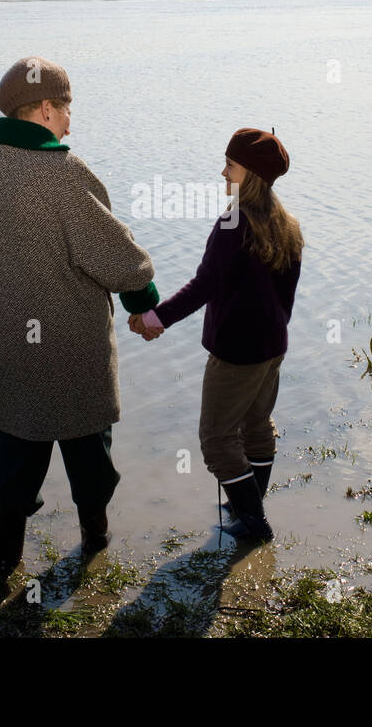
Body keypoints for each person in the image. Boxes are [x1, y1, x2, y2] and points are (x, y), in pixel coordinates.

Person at [0, 56, 160, 580]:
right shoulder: (66, 175)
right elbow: (119, 259)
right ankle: (94, 547)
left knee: (11, 466)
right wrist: (144, 303)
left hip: (6, 354)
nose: (71, 120)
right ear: (46, 109)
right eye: (68, 109)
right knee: (90, 462)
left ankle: (3, 566)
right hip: (74, 355)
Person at [128, 128, 302, 542]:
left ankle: (255, 523)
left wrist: (155, 318)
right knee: (256, 425)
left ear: (253, 174)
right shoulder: (287, 223)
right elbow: (286, 297)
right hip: (272, 347)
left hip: (238, 353)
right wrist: (274, 335)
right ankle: (247, 504)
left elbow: (204, 285)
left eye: (231, 165)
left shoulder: (233, 224)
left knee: (217, 440)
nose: (223, 171)